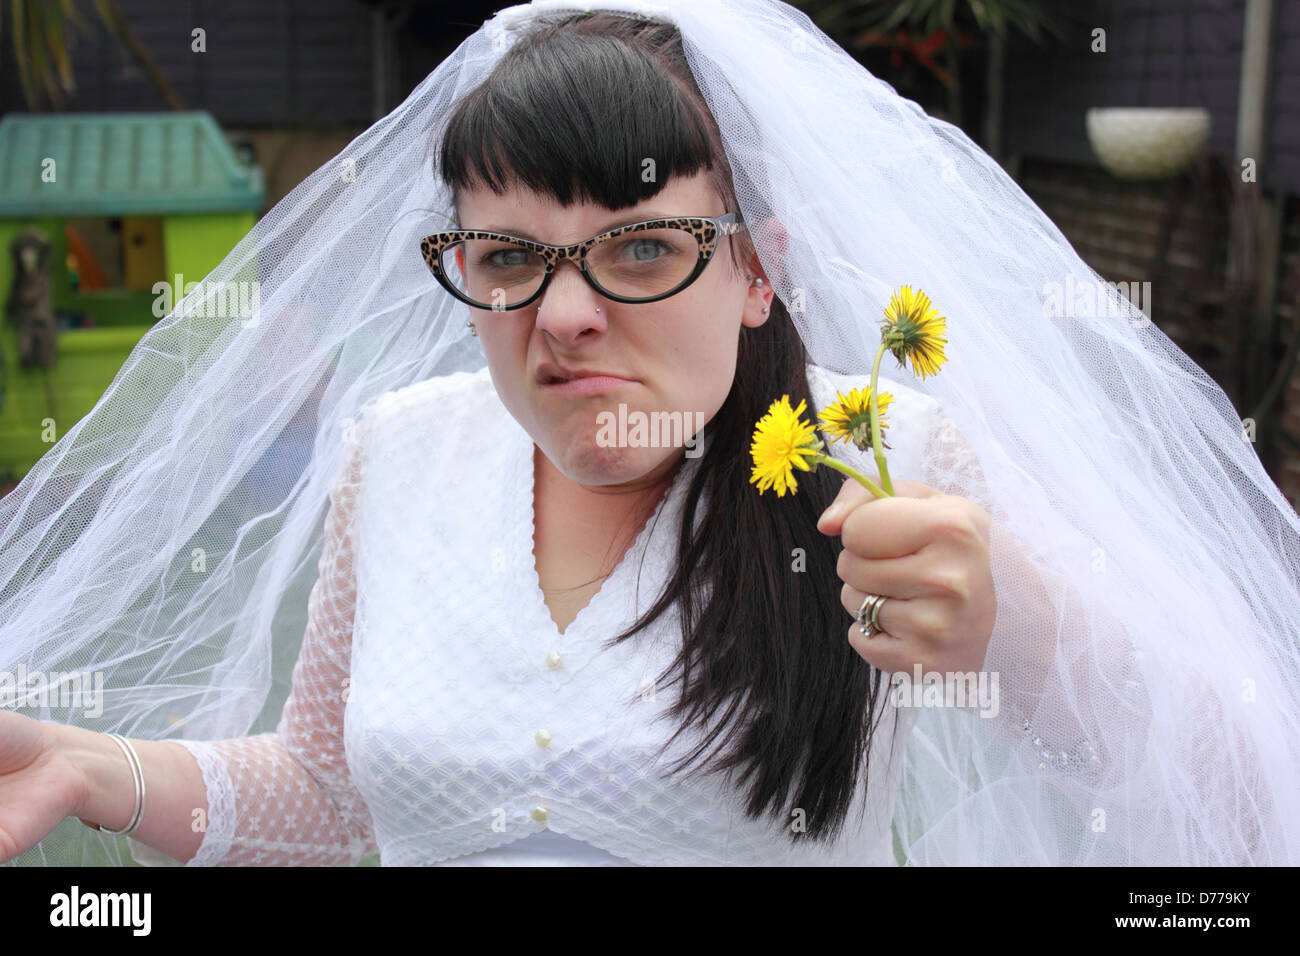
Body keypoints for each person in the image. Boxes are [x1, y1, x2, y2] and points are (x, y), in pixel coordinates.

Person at [2, 0, 1299, 867]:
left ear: (756, 272)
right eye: (507, 255)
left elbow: (1225, 789)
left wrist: (1018, 621)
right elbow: (332, 792)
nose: (562, 315)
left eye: (639, 249)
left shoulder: (879, 454)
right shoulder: (392, 455)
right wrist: (88, 764)